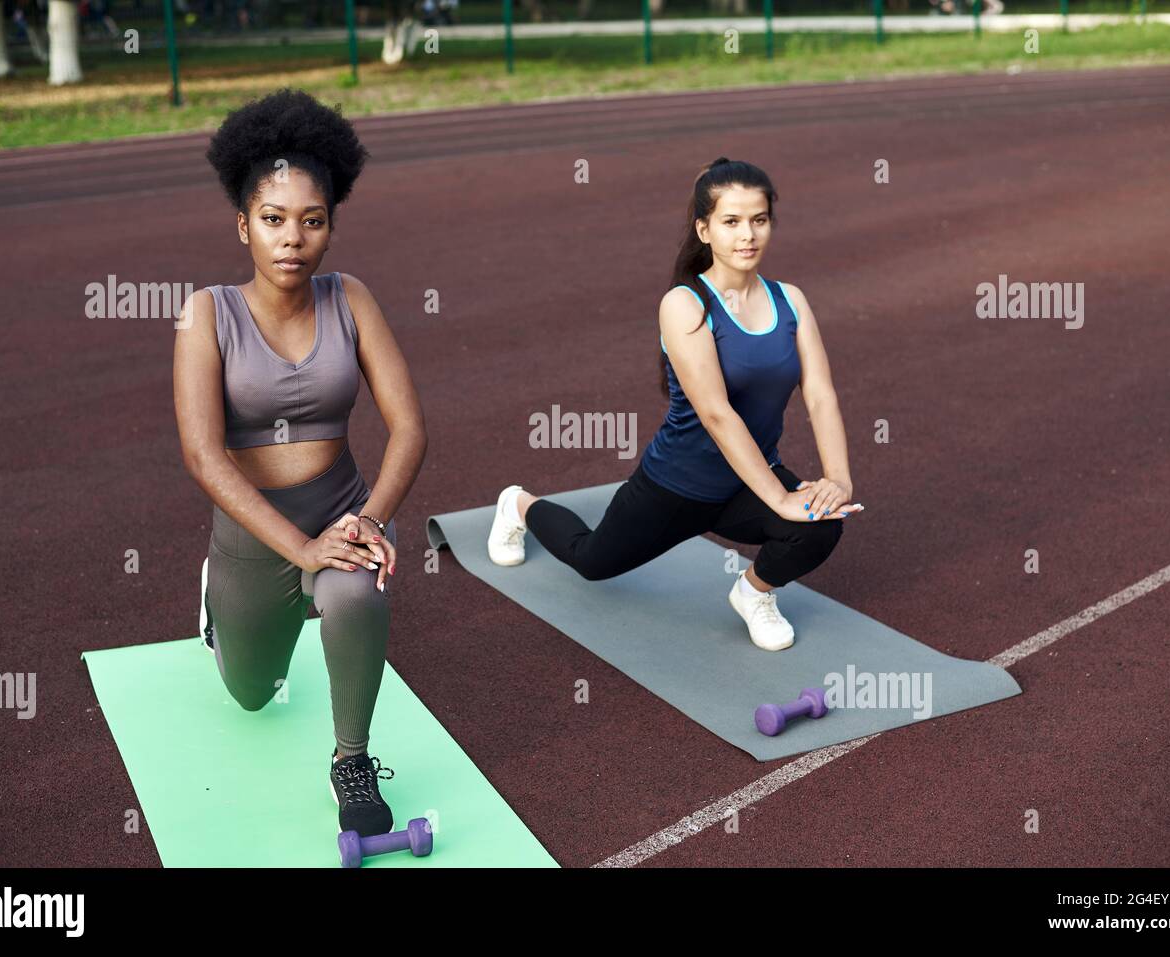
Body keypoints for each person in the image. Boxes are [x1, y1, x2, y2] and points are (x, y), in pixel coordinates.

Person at [173, 89, 426, 838]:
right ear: (242, 224)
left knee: (357, 597)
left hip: (340, 510)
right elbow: (201, 453)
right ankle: (219, 606)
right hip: (254, 538)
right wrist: (300, 549)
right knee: (253, 694)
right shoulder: (205, 313)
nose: (293, 239)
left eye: (312, 221)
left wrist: (368, 521)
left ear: (330, 227)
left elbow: (409, 427)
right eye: (274, 220)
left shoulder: (350, 297)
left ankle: (352, 759)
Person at [487, 158, 860, 652]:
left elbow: (819, 393)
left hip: (747, 480)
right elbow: (716, 413)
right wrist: (781, 498)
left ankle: (753, 594)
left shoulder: (790, 300)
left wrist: (837, 479)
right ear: (704, 229)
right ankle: (518, 504)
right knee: (593, 562)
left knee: (822, 525)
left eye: (759, 219)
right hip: (675, 486)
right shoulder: (684, 304)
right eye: (731, 222)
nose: (747, 234)